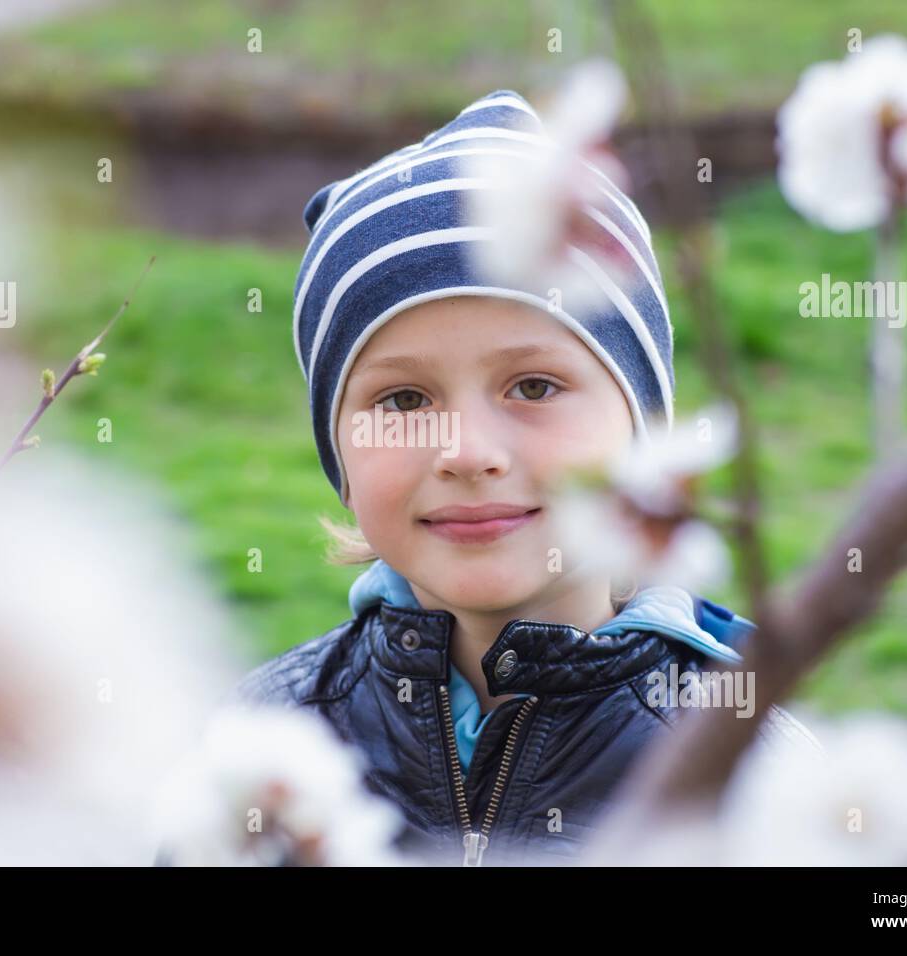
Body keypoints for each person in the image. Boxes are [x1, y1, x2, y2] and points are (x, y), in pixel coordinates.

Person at [233, 89, 816, 866]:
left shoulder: (754, 772)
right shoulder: (262, 751)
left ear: (641, 432)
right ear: (339, 459)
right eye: (404, 399)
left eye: (534, 387)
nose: (469, 452)